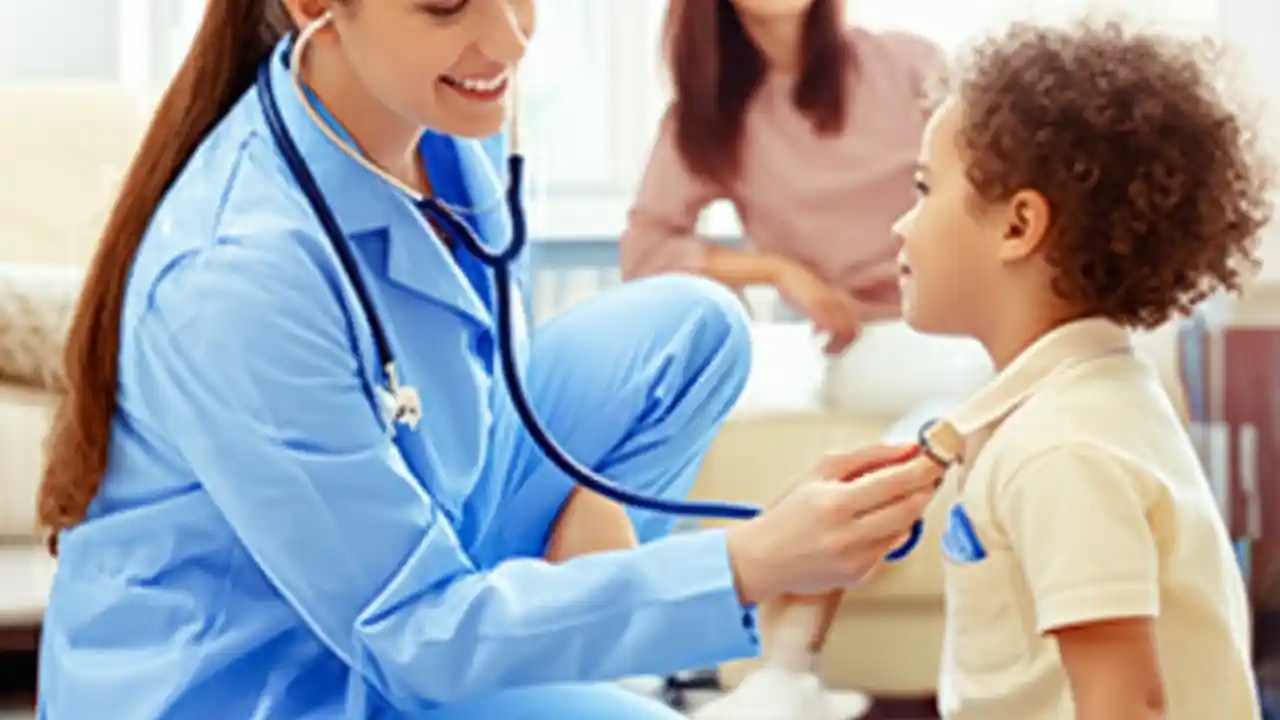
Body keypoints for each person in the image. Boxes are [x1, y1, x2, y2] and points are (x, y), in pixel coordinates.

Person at [32, 1, 943, 718]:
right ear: (316, 6)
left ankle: (544, 649)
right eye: (445, 6)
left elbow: (486, 381)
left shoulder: (445, 119)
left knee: (692, 330)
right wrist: (744, 565)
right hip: (270, 677)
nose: (506, 38)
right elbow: (402, 628)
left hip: (418, 552)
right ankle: (533, 659)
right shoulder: (240, 277)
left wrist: (595, 524)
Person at [889, 19, 1272, 719]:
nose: (900, 226)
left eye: (922, 188)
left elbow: (1124, 704)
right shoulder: (1094, 400)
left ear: (1018, 226)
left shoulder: (1062, 448)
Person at [620, 0, 944, 356]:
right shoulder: (708, 120)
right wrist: (777, 270)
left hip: (964, 325)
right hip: (864, 348)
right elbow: (645, 251)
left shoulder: (909, 65)